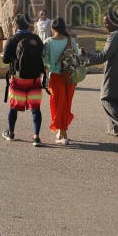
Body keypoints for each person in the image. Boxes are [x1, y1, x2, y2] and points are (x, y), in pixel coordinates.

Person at [82, 10, 118, 137]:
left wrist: (86, 57)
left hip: (114, 72)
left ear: (114, 21)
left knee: (106, 98)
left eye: (106, 23)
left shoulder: (115, 35)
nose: (105, 25)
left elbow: (104, 56)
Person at [1, 15, 45, 146]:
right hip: (34, 78)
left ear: (16, 25)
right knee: (35, 108)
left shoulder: (12, 39)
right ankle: (36, 136)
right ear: (29, 24)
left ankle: (11, 133)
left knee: (14, 106)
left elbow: (5, 60)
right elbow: (42, 54)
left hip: (18, 77)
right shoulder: (36, 38)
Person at [42, 17, 78, 145]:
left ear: (52, 28)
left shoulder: (48, 42)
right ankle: (63, 131)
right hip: (70, 77)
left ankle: (61, 133)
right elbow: (77, 57)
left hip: (56, 76)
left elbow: (45, 62)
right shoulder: (71, 40)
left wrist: (44, 74)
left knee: (57, 104)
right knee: (66, 104)